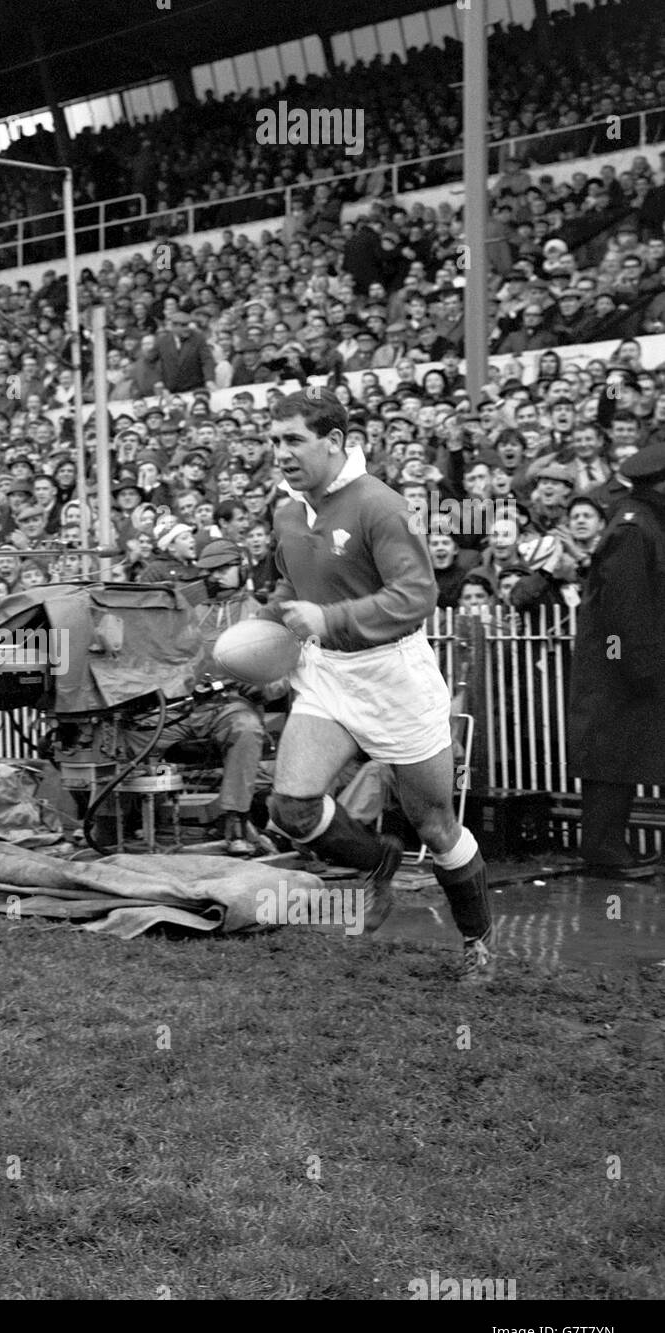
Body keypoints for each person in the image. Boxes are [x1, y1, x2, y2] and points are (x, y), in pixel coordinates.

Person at [255, 387, 495, 985]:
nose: (279, 452)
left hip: (393, 677)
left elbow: (417, 595)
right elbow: (290, 584)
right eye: (273, 440)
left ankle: (478, 943)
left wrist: (330, 618)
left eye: (292, 440)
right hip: (328, 674)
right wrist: (270, 621)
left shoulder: (383, 505)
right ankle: (377, 861)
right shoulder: (286, 508)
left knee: (436, 826)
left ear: (334, 441)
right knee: (291, 804)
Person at [124, 539, 276, 856]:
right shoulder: (187, 612)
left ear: (243, 567)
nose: (216, 576)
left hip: (232, 707)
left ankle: (235, 820)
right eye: (210, 571)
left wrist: (264, 687)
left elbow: (283, 674)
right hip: (183, 706)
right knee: (129, 734)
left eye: (223, 569)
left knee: (246, 730)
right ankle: (121, 821)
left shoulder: (261, 613)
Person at [567, 443, 665, 879]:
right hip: (619, 667)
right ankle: (605, 852)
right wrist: (642, 668)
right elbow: (625, 608)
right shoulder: (633, 527)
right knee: (610, 760)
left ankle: (609, 850)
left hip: (625, 664)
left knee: (620, 755)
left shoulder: (643, 521)